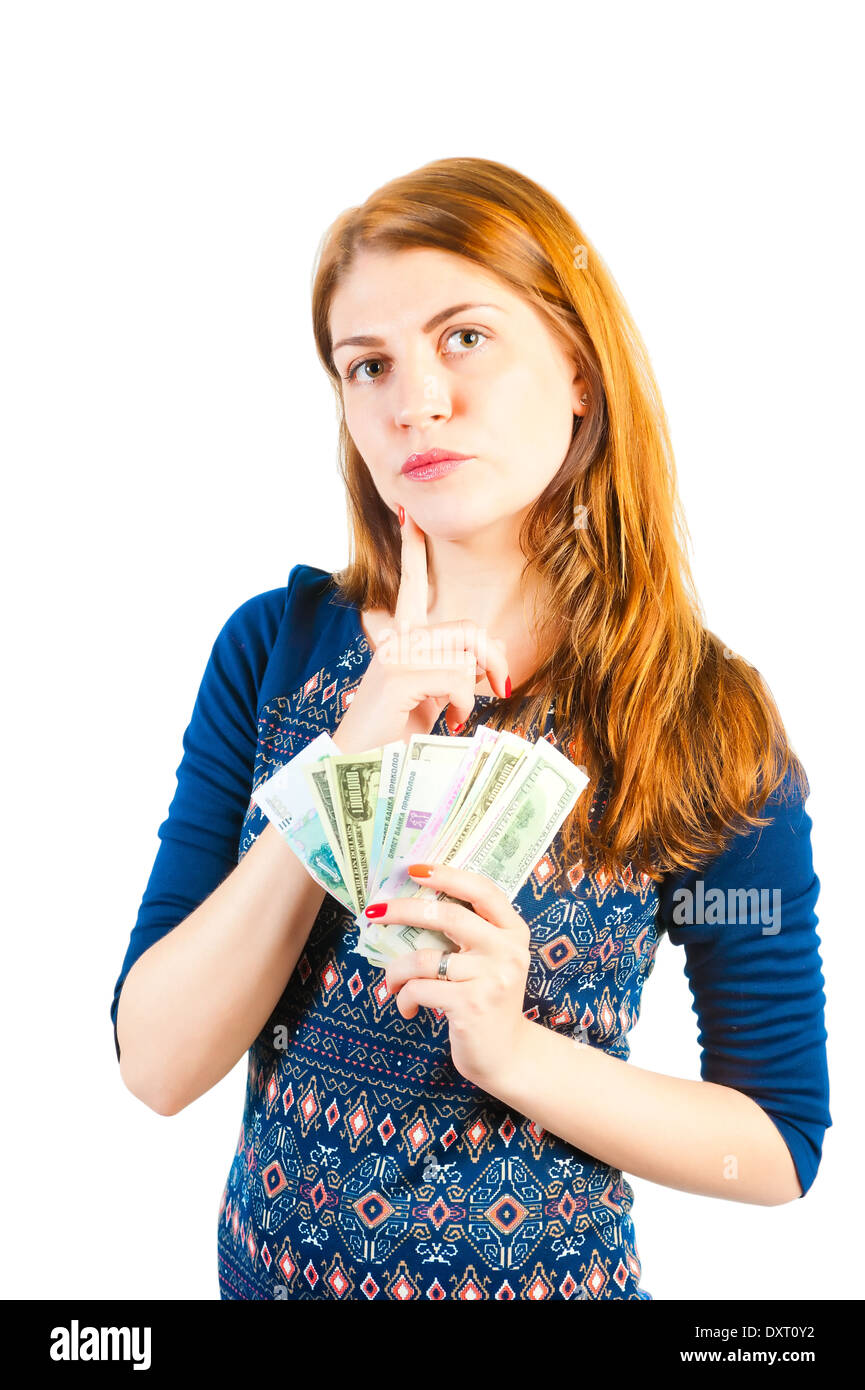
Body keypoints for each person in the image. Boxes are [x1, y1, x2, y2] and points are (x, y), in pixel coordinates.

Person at [111, 156, 831, 1301]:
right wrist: (343, 756)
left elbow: (776, 1145)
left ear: (579, 371)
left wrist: (513, 1053)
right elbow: (153, 1062)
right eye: (369, 365)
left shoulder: (700, 717)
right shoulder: (277, 651)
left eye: (465, 338)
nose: (415, 402)